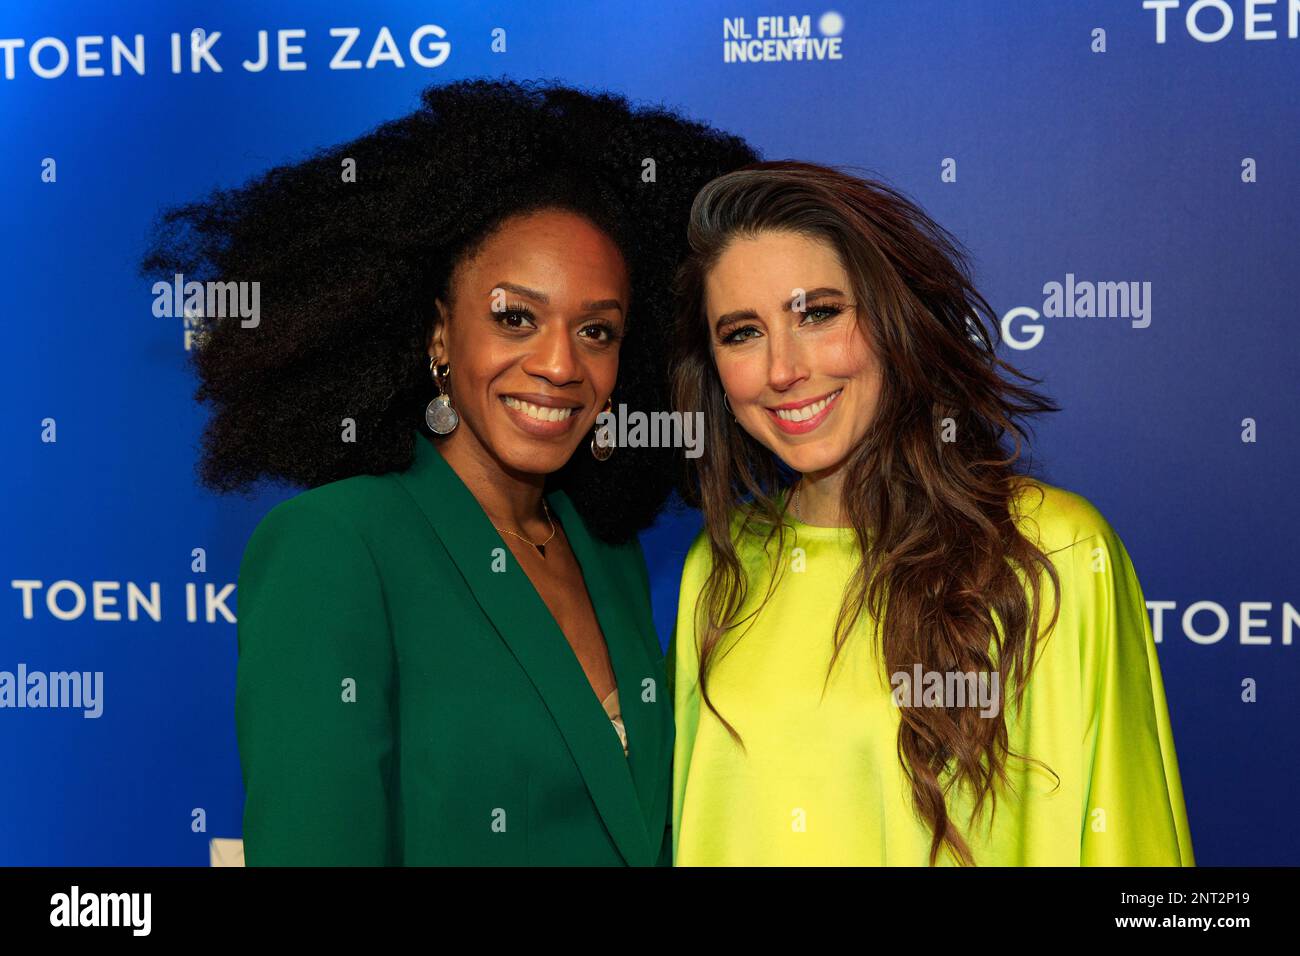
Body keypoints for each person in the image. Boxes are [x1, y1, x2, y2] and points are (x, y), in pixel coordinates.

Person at [140, 78, 757, 865]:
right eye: (514, 317)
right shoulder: (335, 546)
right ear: (439, 334)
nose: (560, 363)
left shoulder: (608, 555)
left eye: (596, 330)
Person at [667, 160, 1195, 866]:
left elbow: (1132, 844)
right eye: (742, 333)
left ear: (893, 321)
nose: (783, 368)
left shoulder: (1055, 552)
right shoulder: (718, 566)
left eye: (818, 313)